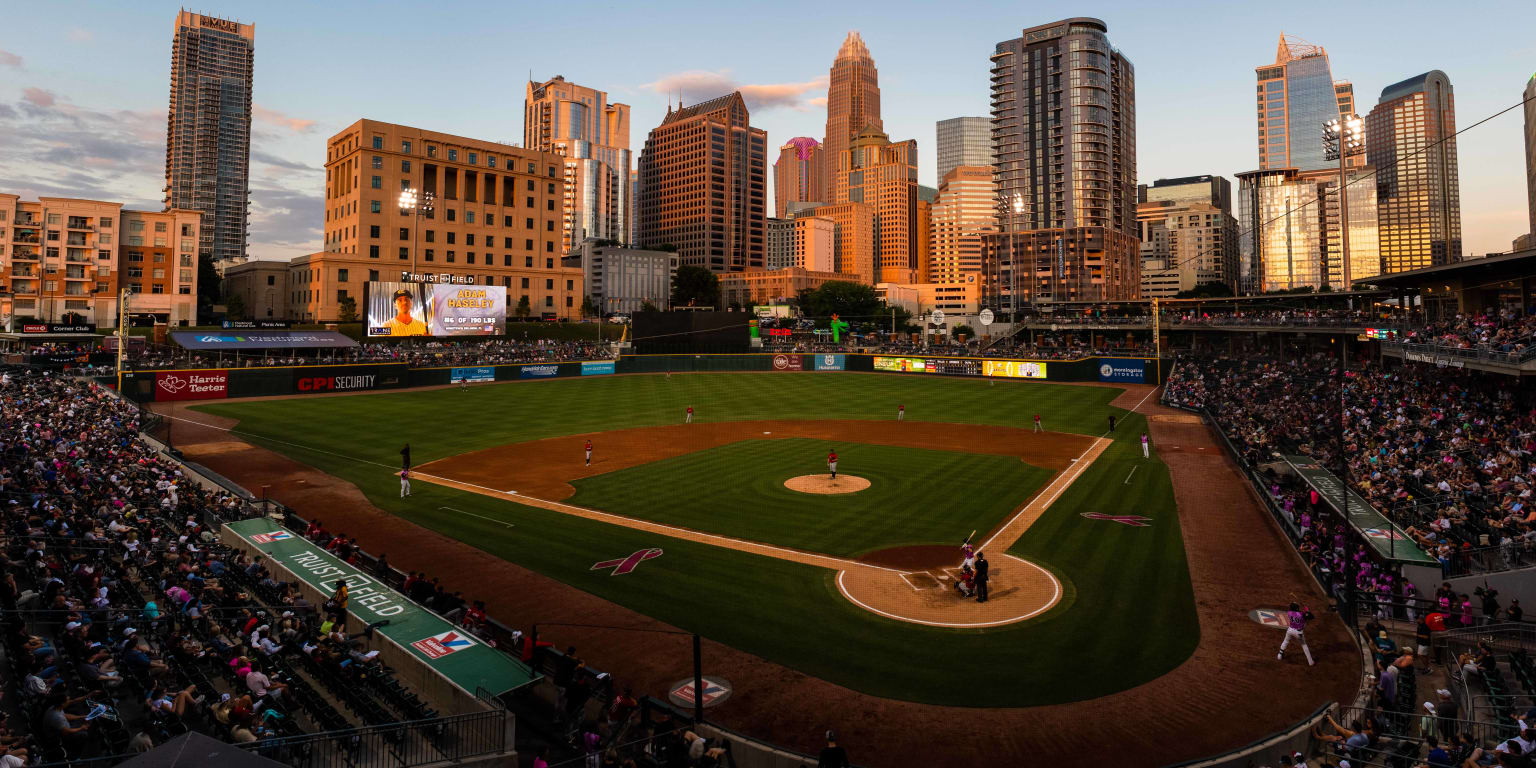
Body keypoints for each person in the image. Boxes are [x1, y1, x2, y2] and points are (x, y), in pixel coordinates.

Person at [1277, 601, 1315, 665]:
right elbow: (1312, 617)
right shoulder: (1301, 614)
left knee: (1285, 641)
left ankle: (1279, 655)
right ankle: (1310, 662)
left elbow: (1299, 613)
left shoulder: (1289, 612)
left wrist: (1306, 612)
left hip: (1290, 630)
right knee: (1304, 645)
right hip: (1298, 633)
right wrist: (1307, 611)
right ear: (1297, 608)